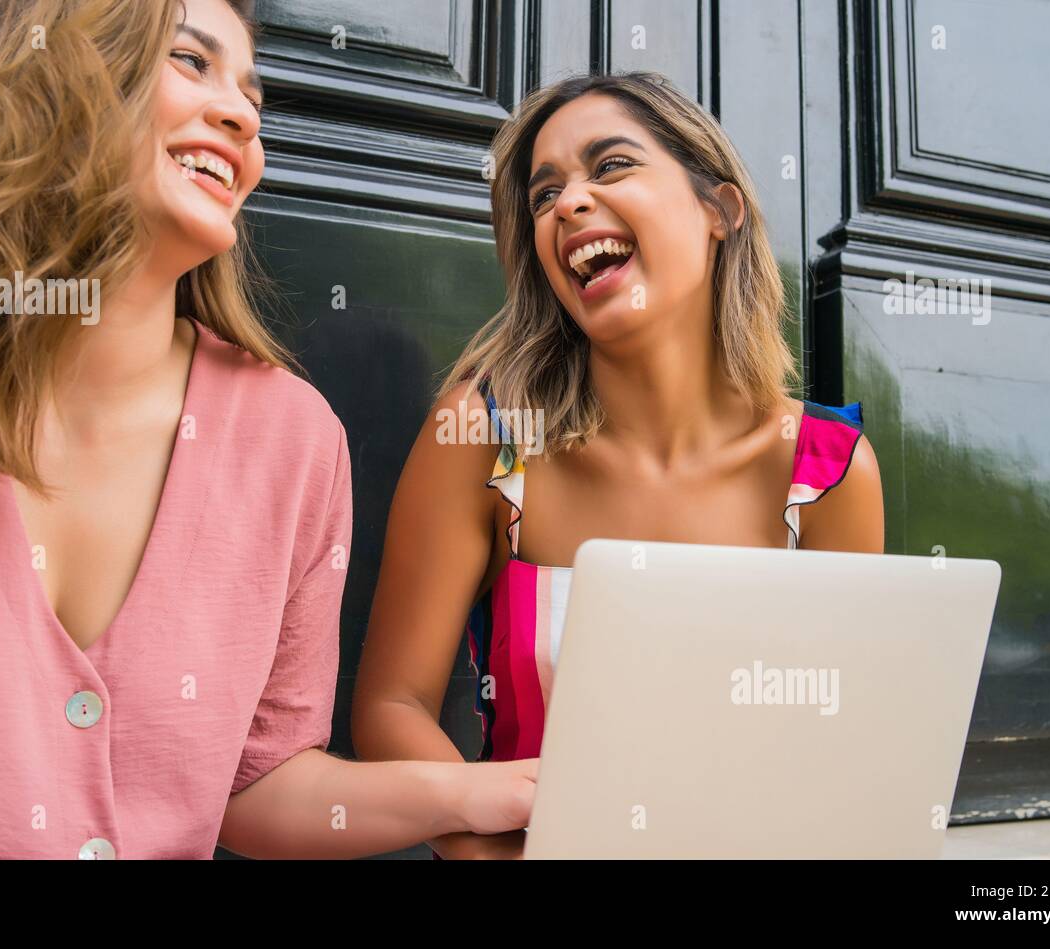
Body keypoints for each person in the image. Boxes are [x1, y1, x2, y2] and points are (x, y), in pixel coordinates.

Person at [0, 0, 534, 860]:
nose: (243, 115)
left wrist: (478, 789)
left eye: (251, 94)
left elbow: (260, 783)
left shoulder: (295, 440)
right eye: (190, 62)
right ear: (39, 75)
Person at [352, 72, 884, 860]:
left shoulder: (829, 471)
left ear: (719, 211)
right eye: (543, 194)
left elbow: (847, 745)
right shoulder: (485, 435)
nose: (567, 203)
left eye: (609, 167)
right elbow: (392, 706)